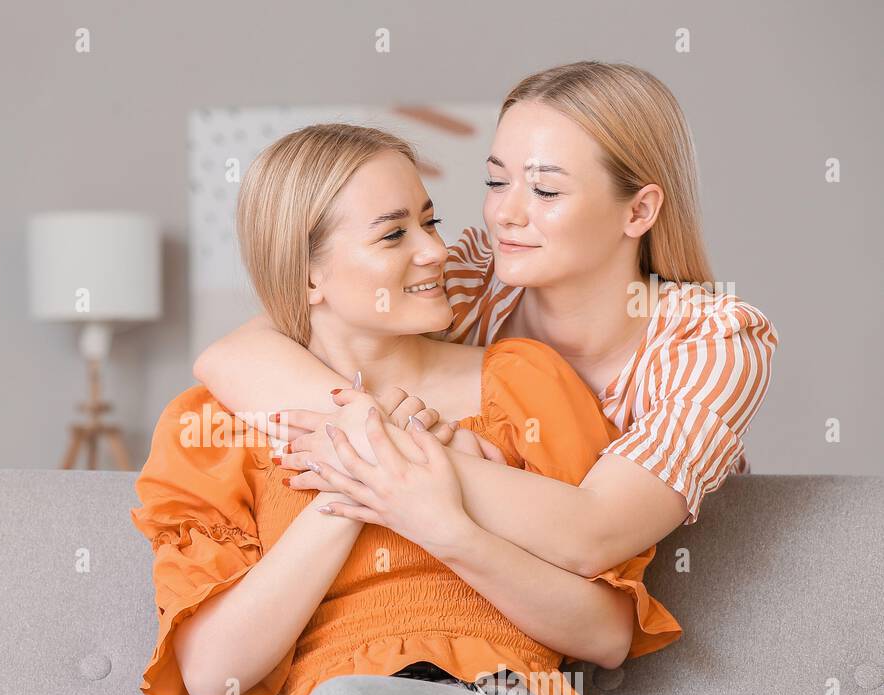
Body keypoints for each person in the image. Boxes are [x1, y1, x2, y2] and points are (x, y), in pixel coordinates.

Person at [131, 121, 680, 695]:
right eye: (394, 236)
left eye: (431, 220)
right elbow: (212, 675)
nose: (435, 252)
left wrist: (444, 523)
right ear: (308, 277)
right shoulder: (214, 423)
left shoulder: (521, 380)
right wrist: (354, 489)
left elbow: (607, 635)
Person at [193, 61, 779, 580]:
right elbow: (233, 355)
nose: (506, 213)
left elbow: (592, 535)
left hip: (659, 611)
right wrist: (387, 440)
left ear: (639, 210)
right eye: (496, 181)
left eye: (546, 190)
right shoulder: (471, 279)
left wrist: (393, 454)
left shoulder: (715, 341)